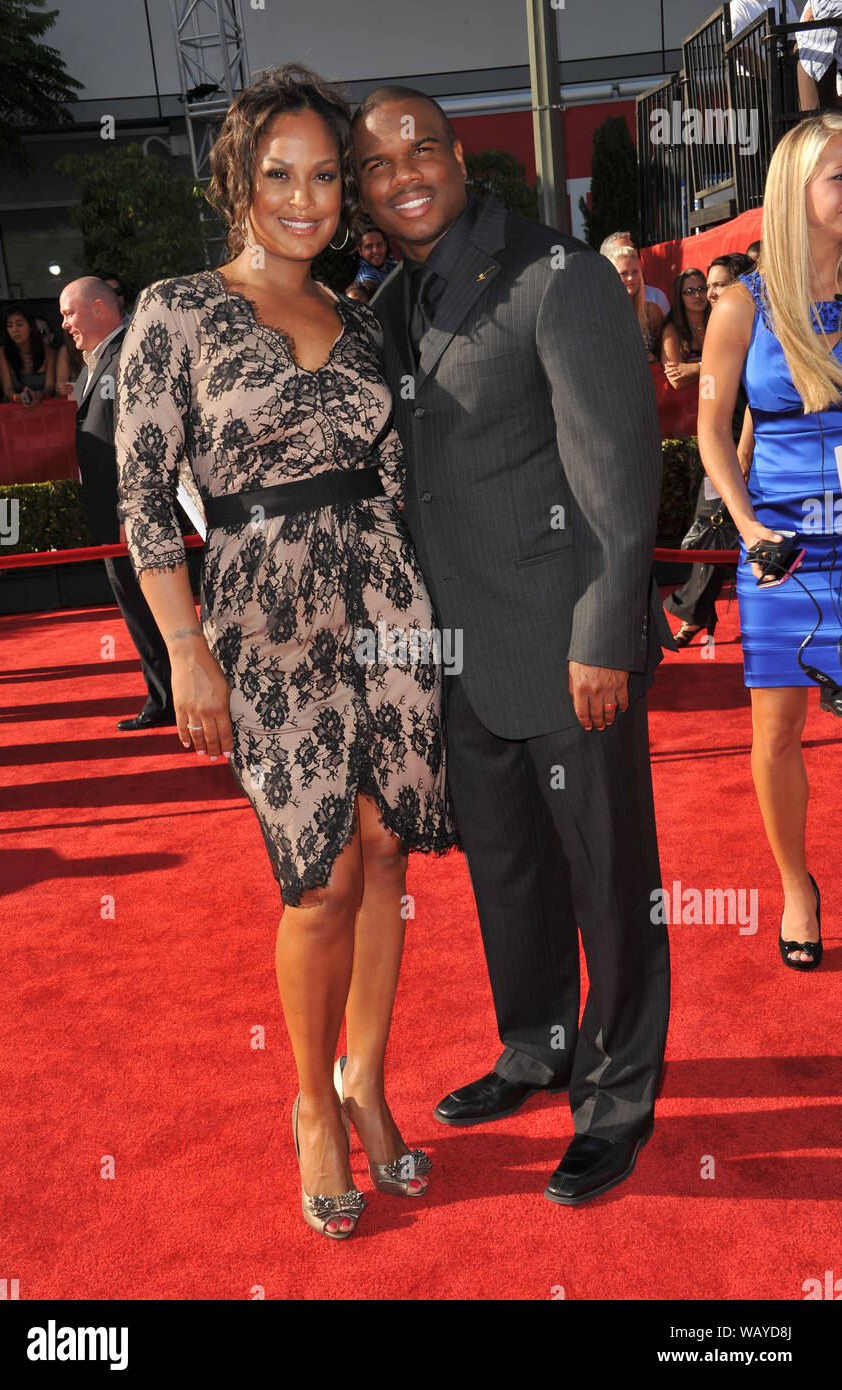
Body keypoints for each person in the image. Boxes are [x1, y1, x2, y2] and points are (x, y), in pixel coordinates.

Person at [114, 64, 455, 1241]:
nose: (306, 198)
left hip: (387, 602)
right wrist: (185, 652)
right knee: (317, 875)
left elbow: (405, 481)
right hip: (264, 618)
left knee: (383, 853)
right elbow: (145, 496)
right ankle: (311, 1102)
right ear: (237, 181)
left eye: (323, 176)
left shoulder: (364, 316)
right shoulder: (176, 310)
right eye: (280, 176)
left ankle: (366, 1076)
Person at [354, 86, 674, 1206]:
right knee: (509, 873)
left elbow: (617, 471)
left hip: (565, 644)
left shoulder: (557, 274)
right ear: (362, 191)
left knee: (607, 877)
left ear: (458, 155)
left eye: (422, 146)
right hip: (458, 656)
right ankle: (535, 1044)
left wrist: (603, 633)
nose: (404, 169)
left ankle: (619, 1093)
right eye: (379, 160)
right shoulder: (390, 300)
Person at [698, 111, 842, 972]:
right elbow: (712, 428)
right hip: (780, 544)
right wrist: (747, 524)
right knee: (776, 729)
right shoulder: (739, 302)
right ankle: (795, 883)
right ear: (795, 192)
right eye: (838, 176)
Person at [60, 275, 175, 733]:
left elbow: (142, 440)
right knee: (139, 608)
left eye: (70, 312)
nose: (64, 323)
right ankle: (167, 697)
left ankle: (174, 698)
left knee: (158, 607)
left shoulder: (129, 353)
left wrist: (133, 508)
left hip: (136, 513)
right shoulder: (92, 364)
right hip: (115, 515)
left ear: (99, 309)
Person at [665, 252, 755, 645]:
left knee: (711, 525)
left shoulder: (751, 323)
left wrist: (744, 452)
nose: (709, 293)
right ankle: (696, 611)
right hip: (721, 448)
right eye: (707, 286)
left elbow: (756, 396)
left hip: (743, 449)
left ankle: (693, 612)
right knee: (710, 525)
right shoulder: (722, 323)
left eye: (717, 285)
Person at [602, 243, 665, 360]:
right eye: (623, 273)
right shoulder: (601, 315)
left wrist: (655, 357)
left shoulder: (651, 311)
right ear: (610, 276)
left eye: (635, 271)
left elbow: (666, 354)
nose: (630, 278)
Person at [0, 303, 55, 405]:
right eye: (9, 326)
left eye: (20, 324)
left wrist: (39, 395)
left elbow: (50, 387)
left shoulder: (48, 353)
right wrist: (18, 398)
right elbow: (7, 390)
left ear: (31, 326)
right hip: (14, 413)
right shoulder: (1, 353)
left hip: (45, 411)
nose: (15, 330)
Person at [660, 268, 710, 391]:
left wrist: (696, 368)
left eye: (702, 288)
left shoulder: (717, 321)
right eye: (689, 291)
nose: (697, 295)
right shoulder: (672, 330)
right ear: (680, 297)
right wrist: (713, 367)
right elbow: (676, 380)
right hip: (686, 406)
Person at [598, 231, 670, 315]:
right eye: (623, 251)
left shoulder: (656, 297)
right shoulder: (597, 303)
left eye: (633, 250)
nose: (630, 255)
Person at [354, 222, 397, 289]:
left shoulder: (391, 264)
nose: (375, 251)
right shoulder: (367, 280)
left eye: (379, 244)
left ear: (385, 245)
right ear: (360, 250)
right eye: (369, 246)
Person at [55, 328, 84, 399]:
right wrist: (63, 389)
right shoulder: (66, 351)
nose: (64, 324)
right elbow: (60, 386)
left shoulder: (105, 346)